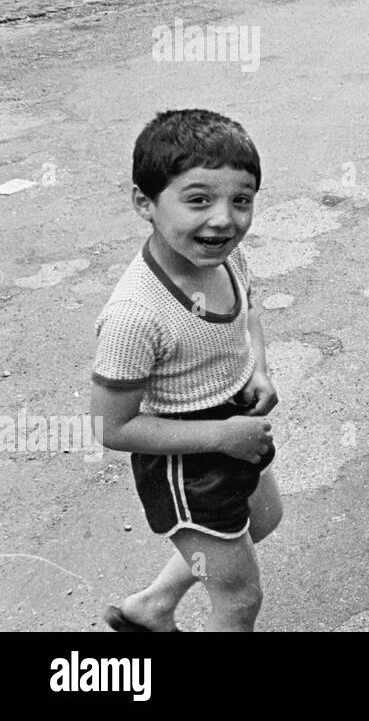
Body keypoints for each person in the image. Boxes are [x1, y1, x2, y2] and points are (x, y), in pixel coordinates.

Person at [91, 109, 281, 632]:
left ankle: (150, 608)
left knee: (262, 520)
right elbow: (112, 428)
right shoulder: (136, 314)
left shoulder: (222, 256)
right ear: (144, 203)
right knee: (239, 599)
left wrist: (257, 370)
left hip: (236, 422)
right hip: (185, 461)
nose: (224, 218)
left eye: (240, 200)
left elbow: (249, 312)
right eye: (198, 199)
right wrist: (222, 436)